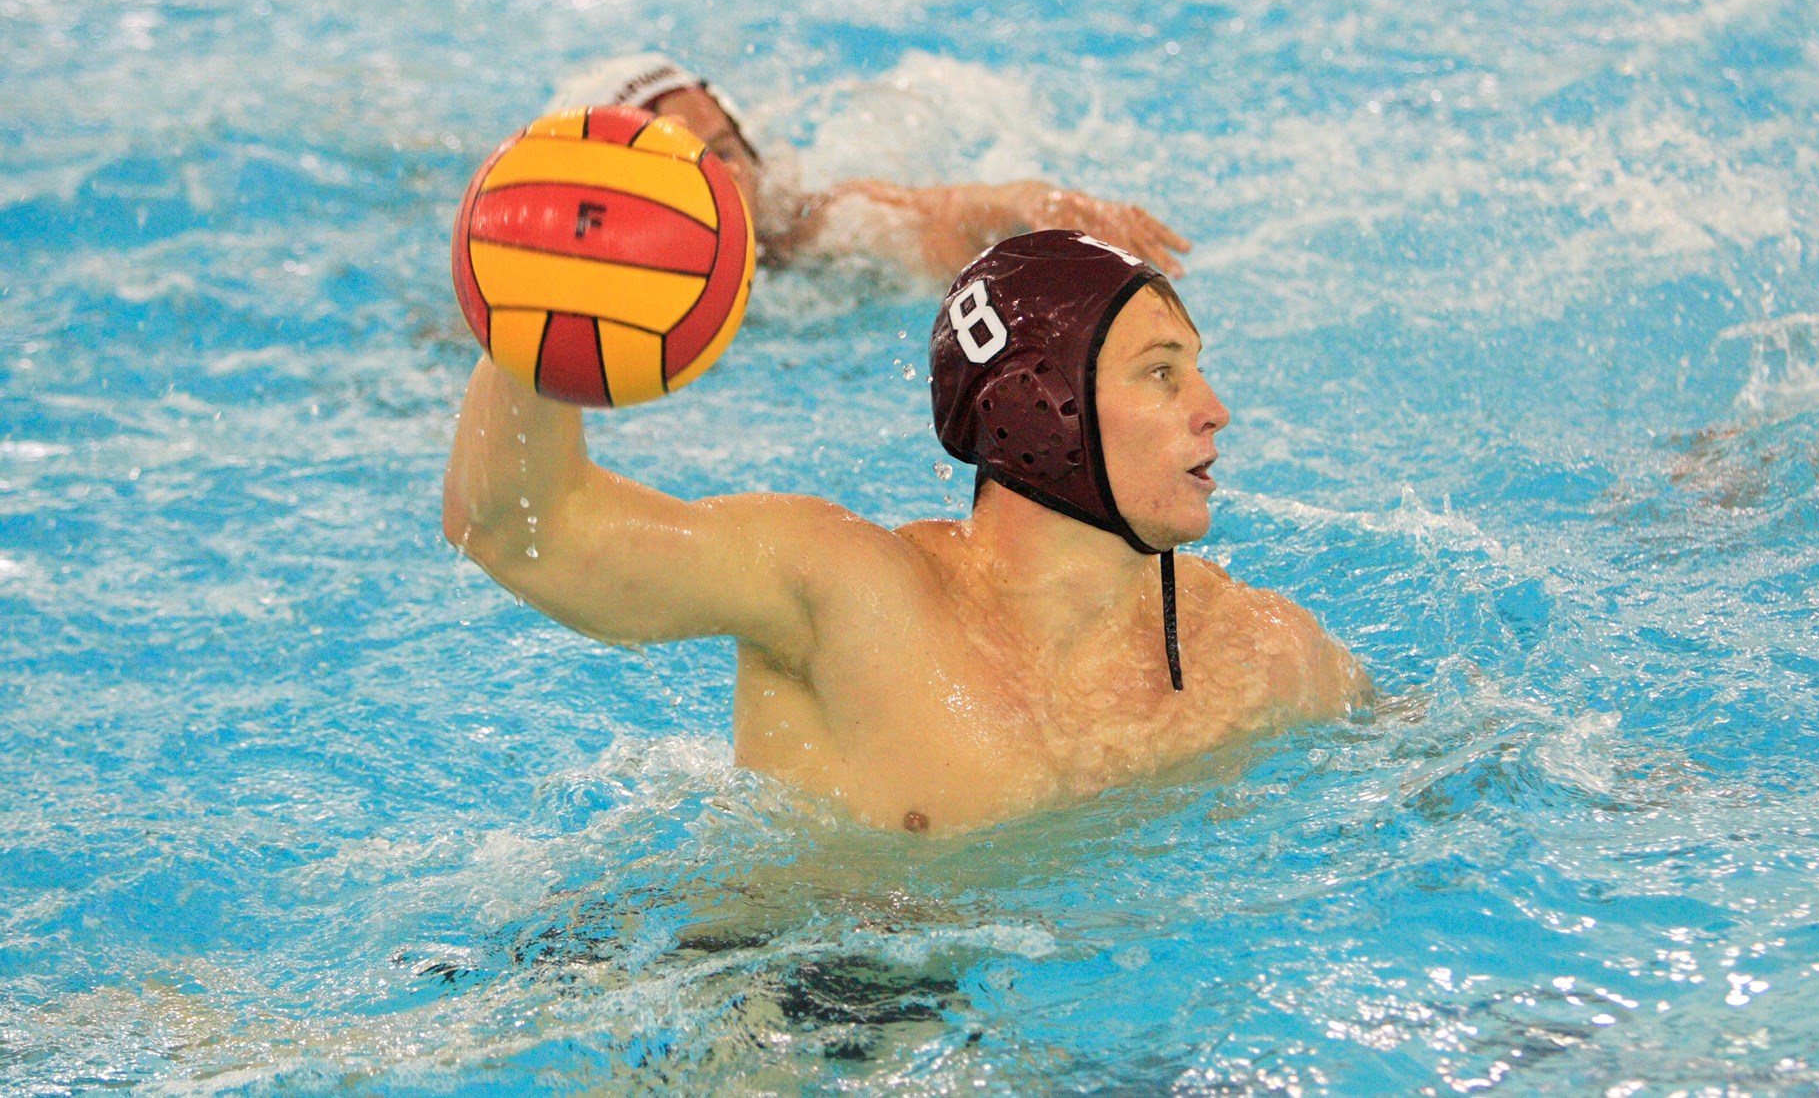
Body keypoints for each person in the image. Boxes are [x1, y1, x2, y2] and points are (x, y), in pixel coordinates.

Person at [443, 229, 1371, 833]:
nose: (1215, 410)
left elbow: (1446, 774)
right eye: (1162, 374)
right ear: (1038, 407)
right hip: (783, 1005)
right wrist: (540, 317)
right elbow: (521, 530)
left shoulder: (1260, 654)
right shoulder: (846, 591)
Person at [546, 53, 1193, 281]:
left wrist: (1028, 206)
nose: (731, 183)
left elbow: (935, 217)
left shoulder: (801, 232)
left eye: (730, 153)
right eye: (688, 165)